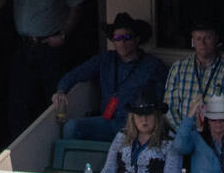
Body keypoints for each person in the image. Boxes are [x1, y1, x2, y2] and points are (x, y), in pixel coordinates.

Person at [0, 0, 86, 139]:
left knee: (54, 102)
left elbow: (77, 5)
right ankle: (19, 155)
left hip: (50, 46)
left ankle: (56, 148)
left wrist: (63, 35)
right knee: (19, 104)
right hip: (23, 45)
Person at [53, 12, 166, 142]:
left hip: (133, 125)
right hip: (106, 120)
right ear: (113, 41)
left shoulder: (153, 65)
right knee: (71, 127)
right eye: (117, 38)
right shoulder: (105, 59)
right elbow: (77, 73)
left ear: (137, 40)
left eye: (127, 37)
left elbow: (162, 101)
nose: (122, 42)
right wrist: (61, 90)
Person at [164, 19, 224, 130]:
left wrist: (206, 136)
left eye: (208, 38)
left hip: (214, 136)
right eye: (198, 39)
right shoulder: (178, 68)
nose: (202, 43)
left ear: (216, 39)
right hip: (181, 133)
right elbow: (169, 107)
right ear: (193, 41)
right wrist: (183, 132)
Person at [99, 91, 183, 173]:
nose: (144, 119)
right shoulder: (122, 135)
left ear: (157, 115)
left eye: (149, 114)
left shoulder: (169, 139)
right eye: (139, 114)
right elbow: (109, 169)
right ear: (132, 117)